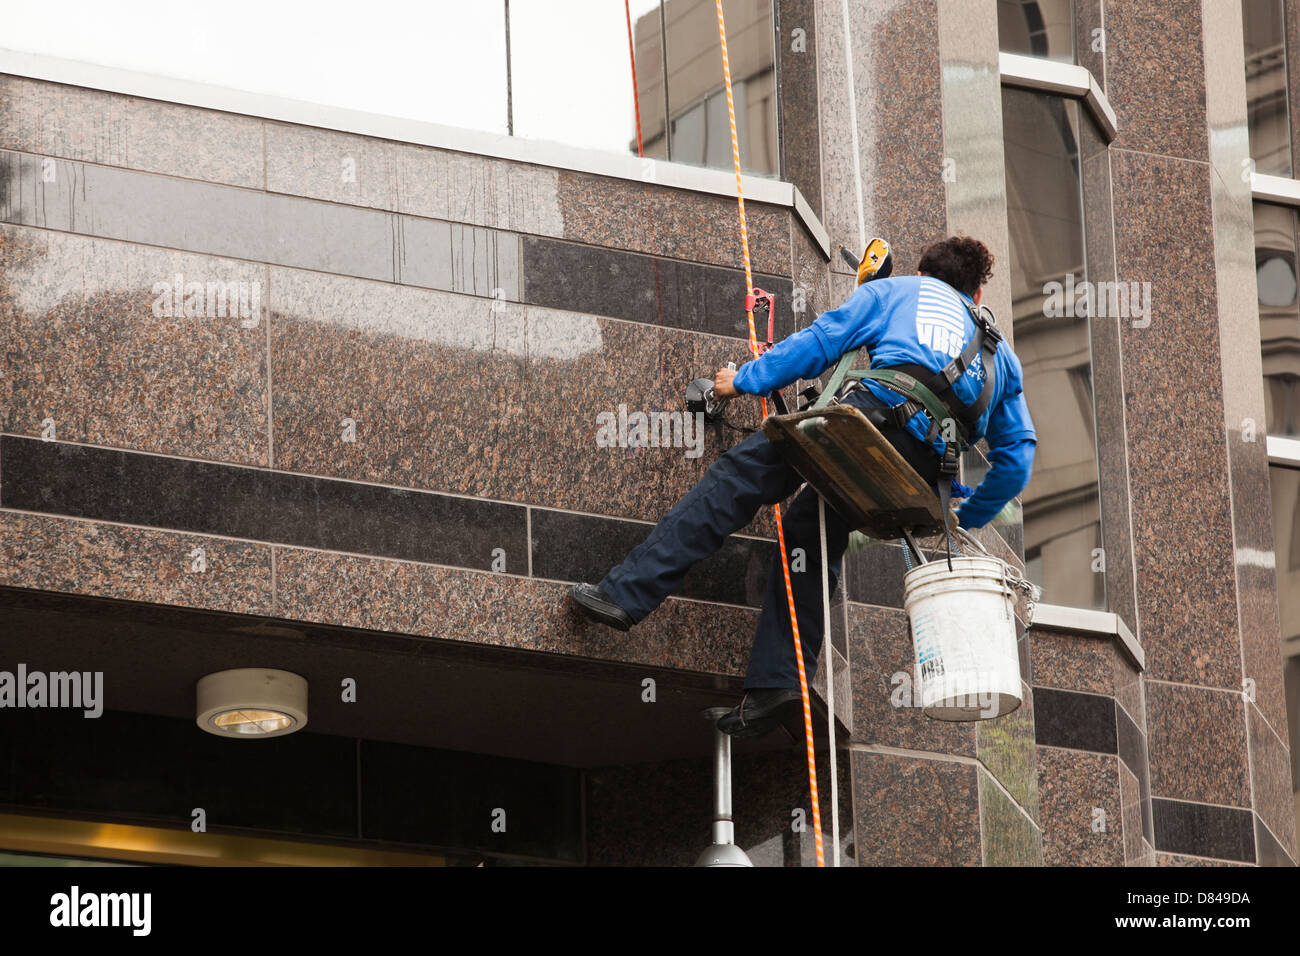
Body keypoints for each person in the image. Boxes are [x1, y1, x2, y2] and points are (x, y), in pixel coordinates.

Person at [570, 236, 1036, 737]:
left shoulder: (898, 293)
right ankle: (779, 682)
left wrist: (743, 380)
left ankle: (625, 594)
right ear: (977, 298)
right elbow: (1017, 460)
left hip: (863, 429)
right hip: (921, 475)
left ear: (924, 275)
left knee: (737, 478)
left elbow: (820, 343)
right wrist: (967, 518)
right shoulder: (999, 352)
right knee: (808, 529)